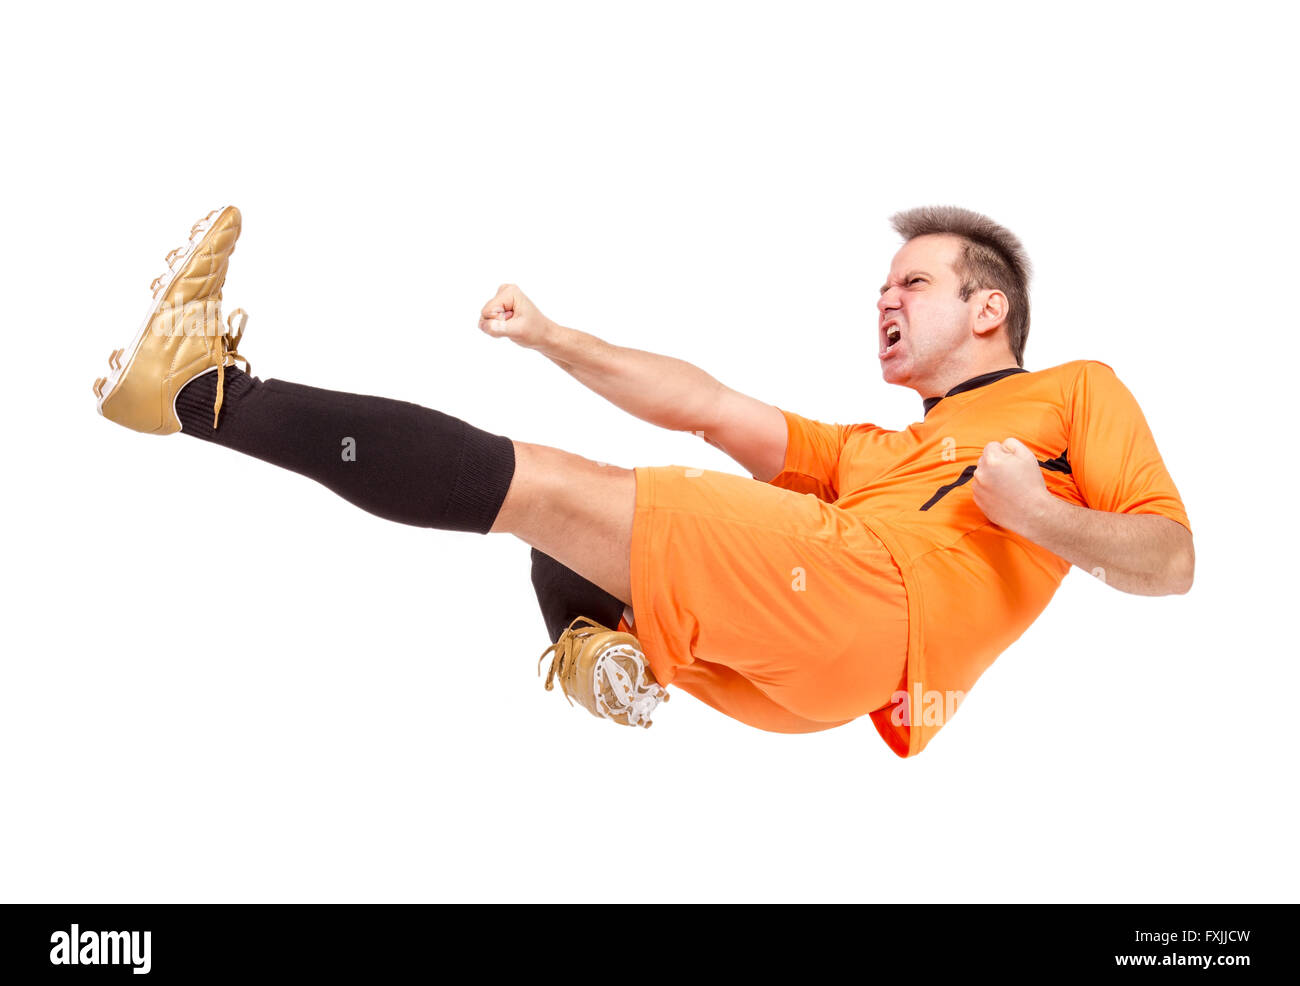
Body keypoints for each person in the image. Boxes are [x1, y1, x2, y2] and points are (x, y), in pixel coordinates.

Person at [93, 205, 1193, 757]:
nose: (883, 301)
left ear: (987, 309)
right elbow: (709, 403)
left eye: (911, 280)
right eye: (877, 288)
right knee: (577, 521)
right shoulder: (877, 453)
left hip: (873, 606)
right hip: (813, 674)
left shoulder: (1072, 393)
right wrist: (557, 338)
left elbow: (1172, 561)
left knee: (555, 494)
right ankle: (596, 646)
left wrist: (1042, 512)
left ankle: (199, 393)